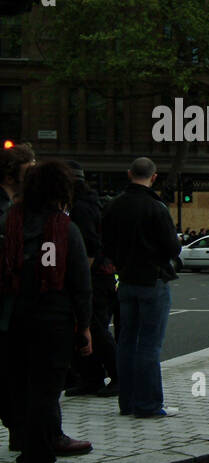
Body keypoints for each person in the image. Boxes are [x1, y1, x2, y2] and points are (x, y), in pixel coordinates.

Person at [0, 160, 93, 463]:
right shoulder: (64, 228)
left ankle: (28, 450)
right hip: (52, 321)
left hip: (13, 320)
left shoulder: (8, 223)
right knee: (45, 393)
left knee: (21, 391)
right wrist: (84, 326)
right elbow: (81, 283)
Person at [102, 157, 181, 418]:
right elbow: (172, 247)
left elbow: (107, 244)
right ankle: (148, 404)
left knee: (125, 341)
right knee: (149, 344)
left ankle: (127, 401)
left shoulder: (114, 206)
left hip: (125, 279)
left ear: (129, 173)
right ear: (154, 177)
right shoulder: (156, 207)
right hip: (153, 279)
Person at [66, 160, 119, 397]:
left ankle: (118, 376)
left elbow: (89, 246)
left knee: (94, 328)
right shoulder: (88, 203)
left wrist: (81, 277)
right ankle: (92, 377)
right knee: (88, 327)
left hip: (94, 277)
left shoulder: (81, 208)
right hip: (101, 275)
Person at [0, 143, 38, 450]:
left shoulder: (23, 204)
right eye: (29, 169)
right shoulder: (7, 210)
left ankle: (20, 434)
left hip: (20, 306)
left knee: (19, 378)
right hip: (7, 306)